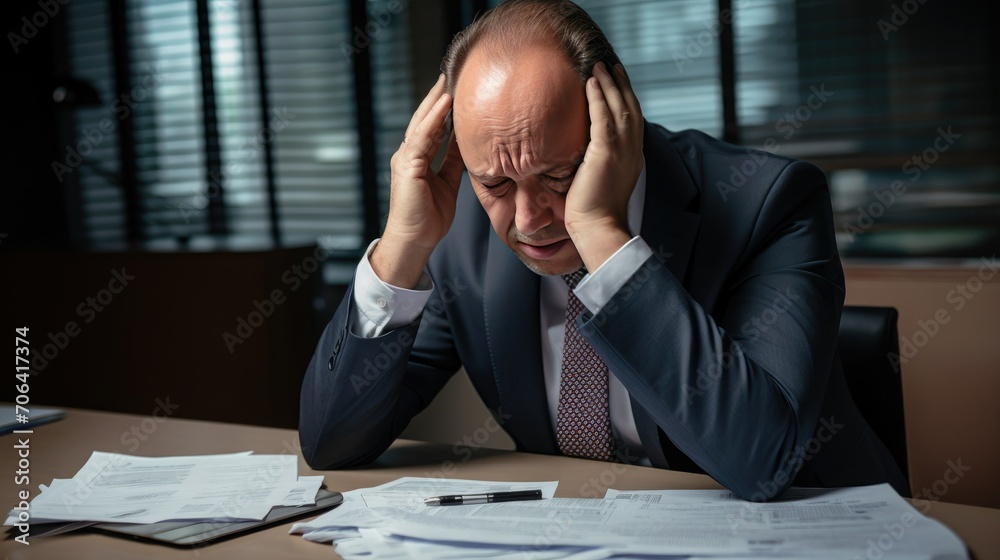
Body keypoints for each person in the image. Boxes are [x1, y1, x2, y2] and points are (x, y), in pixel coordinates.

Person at [299, 0, 908, 501]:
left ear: (617, 117)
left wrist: (603, 238)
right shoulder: (460, 228)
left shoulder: (769, 204)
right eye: (496, 185)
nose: (531, 220)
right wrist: (402, 249)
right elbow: (333, 442)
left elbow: (764, 462)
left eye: (559, 176)